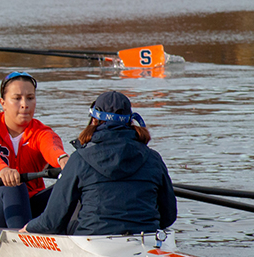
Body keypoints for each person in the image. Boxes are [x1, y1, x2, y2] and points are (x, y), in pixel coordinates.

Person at [24, 91, 176, 235]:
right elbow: (168, 217)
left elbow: (52, 222)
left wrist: (28, 228)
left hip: (93, 237)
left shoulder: (79, 159)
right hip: (146, 238)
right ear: (130, 121)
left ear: (94, 120)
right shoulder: (153, 158)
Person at [0, 72, 69, 229]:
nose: (24, 104)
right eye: (17, 98)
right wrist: (3, 170)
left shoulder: (42, 132)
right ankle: (23, 238)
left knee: (69, 186)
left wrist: (63, 159)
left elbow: (52, 148)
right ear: (3, 103)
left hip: (28, 204)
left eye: (30, 98)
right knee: (14, 185)